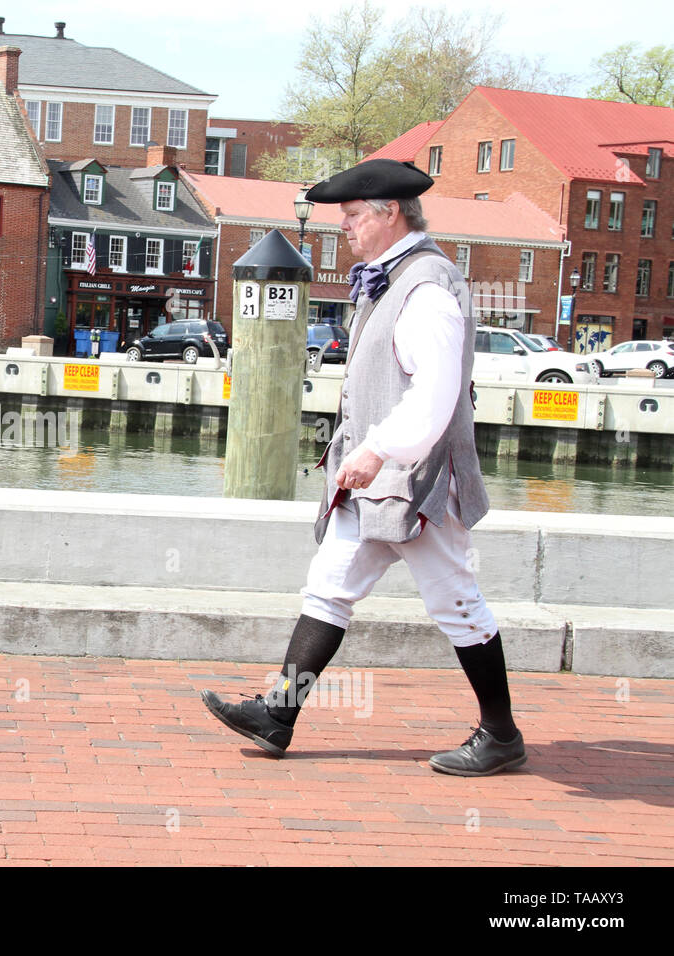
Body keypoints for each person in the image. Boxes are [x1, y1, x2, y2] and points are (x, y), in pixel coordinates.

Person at [202, 158, 526, 777]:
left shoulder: (427, 287)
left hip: (417, 483)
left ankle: (501, 733)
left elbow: (434, 396)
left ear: (391, 214)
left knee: (455, 600)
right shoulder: (393, 277)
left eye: (352, 217)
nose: (343, 228)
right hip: (377, 480)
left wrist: (379, 450)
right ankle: (278, 713)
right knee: (329, 586)